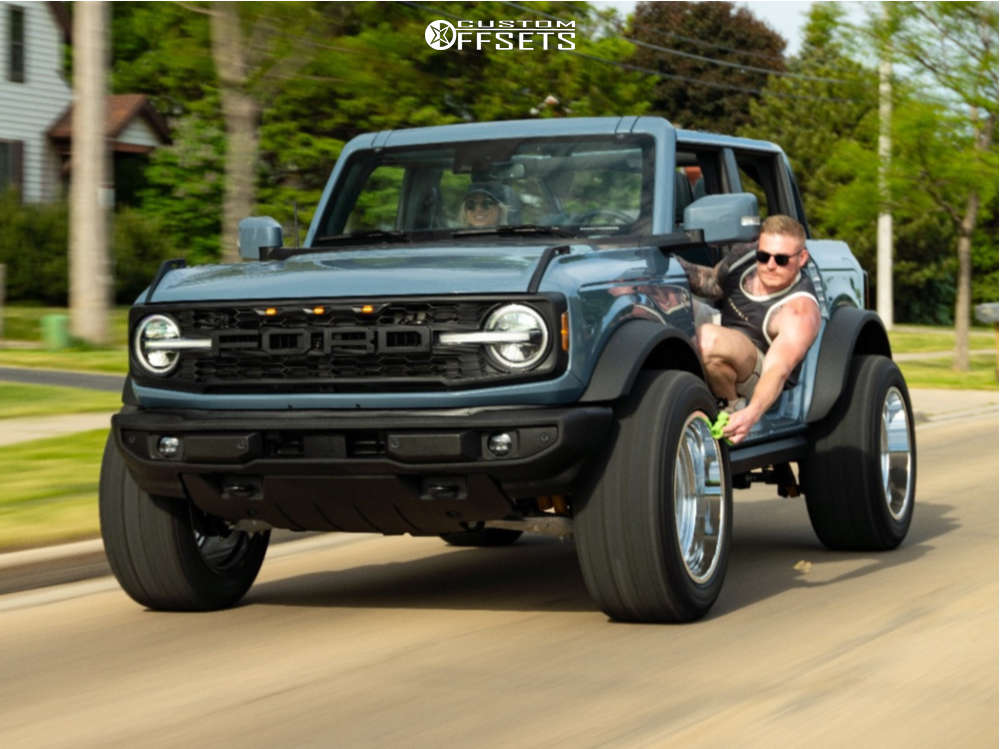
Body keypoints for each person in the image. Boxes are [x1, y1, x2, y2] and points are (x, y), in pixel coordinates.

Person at [678, 214, 822, 445]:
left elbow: (778, 370)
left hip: (760, 371)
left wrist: (751, 414)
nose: (770, 265)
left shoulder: (799, 312)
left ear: (802, 257)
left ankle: (731, 409)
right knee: (667, 307)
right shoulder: (743, 257)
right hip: (726, 334)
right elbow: (711, 282)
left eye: (781, 259)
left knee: (709, 340)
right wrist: (663, 263)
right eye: (763, 256)